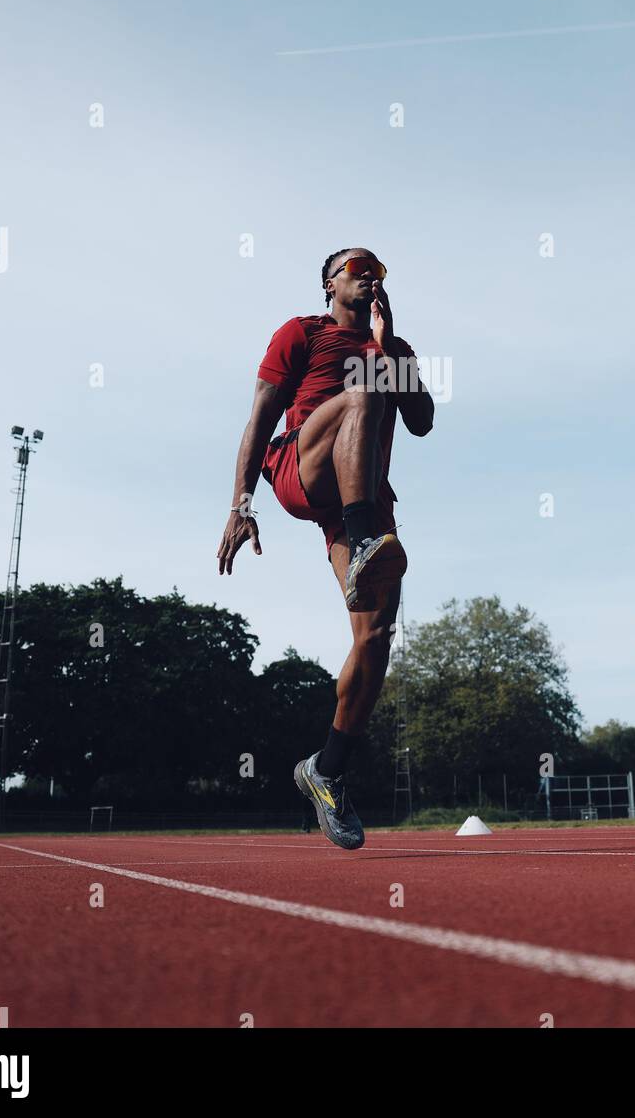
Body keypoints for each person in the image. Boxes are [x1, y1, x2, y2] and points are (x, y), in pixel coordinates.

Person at [217, 249, 434, 849]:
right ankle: (366, 537)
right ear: (329, 284)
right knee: (362, 393)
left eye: (379, 271)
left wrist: (389, 352)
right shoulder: (301, 333)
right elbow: (259, 415)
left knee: (374, 642)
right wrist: (241, 504)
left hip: (358, 495)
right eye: (358, 268)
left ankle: (327, 769)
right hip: (302, 467)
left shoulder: (393, 351)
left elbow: (422, 421)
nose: (371, 276)